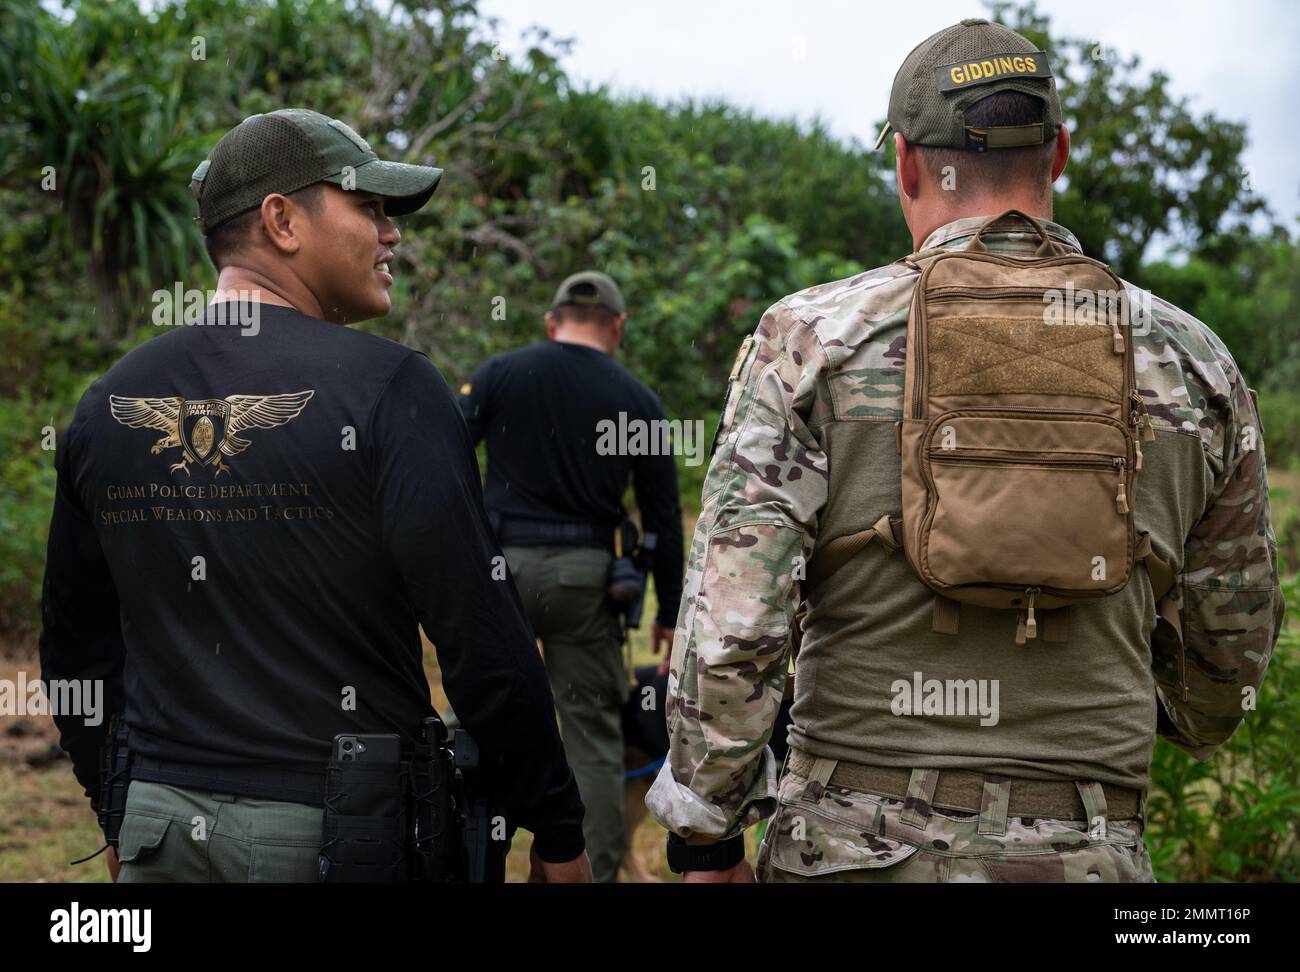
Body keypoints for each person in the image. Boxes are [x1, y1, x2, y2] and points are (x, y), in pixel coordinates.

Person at [647, 19, 1284, 883]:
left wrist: (707, 833)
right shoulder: (1196, 362)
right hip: (1092, 854)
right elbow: (1226, 666)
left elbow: (731, 631)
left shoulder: (811, 343)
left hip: (847, 851)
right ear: (1057, 154)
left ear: (907, 162)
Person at [38, 108, 590, 883]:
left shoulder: (106, 404)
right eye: (368, 206)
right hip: (337, 840)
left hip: (160, 831)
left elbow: (73, 648)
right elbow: (481, 641)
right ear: (282, 221)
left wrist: (129, 807)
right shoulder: (391, 389)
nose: (391, 234)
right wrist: (560, 832)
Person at [459, 271, 685, 882]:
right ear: (617, 327)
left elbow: (446, 456)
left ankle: (448, 855)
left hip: (498, 572)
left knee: (472, 717)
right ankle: (592, 874)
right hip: (588, 582)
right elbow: (662, 513)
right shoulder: (638, 400)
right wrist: (669, 615)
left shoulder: (500, 373)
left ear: (552, 322)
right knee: (591, 737)